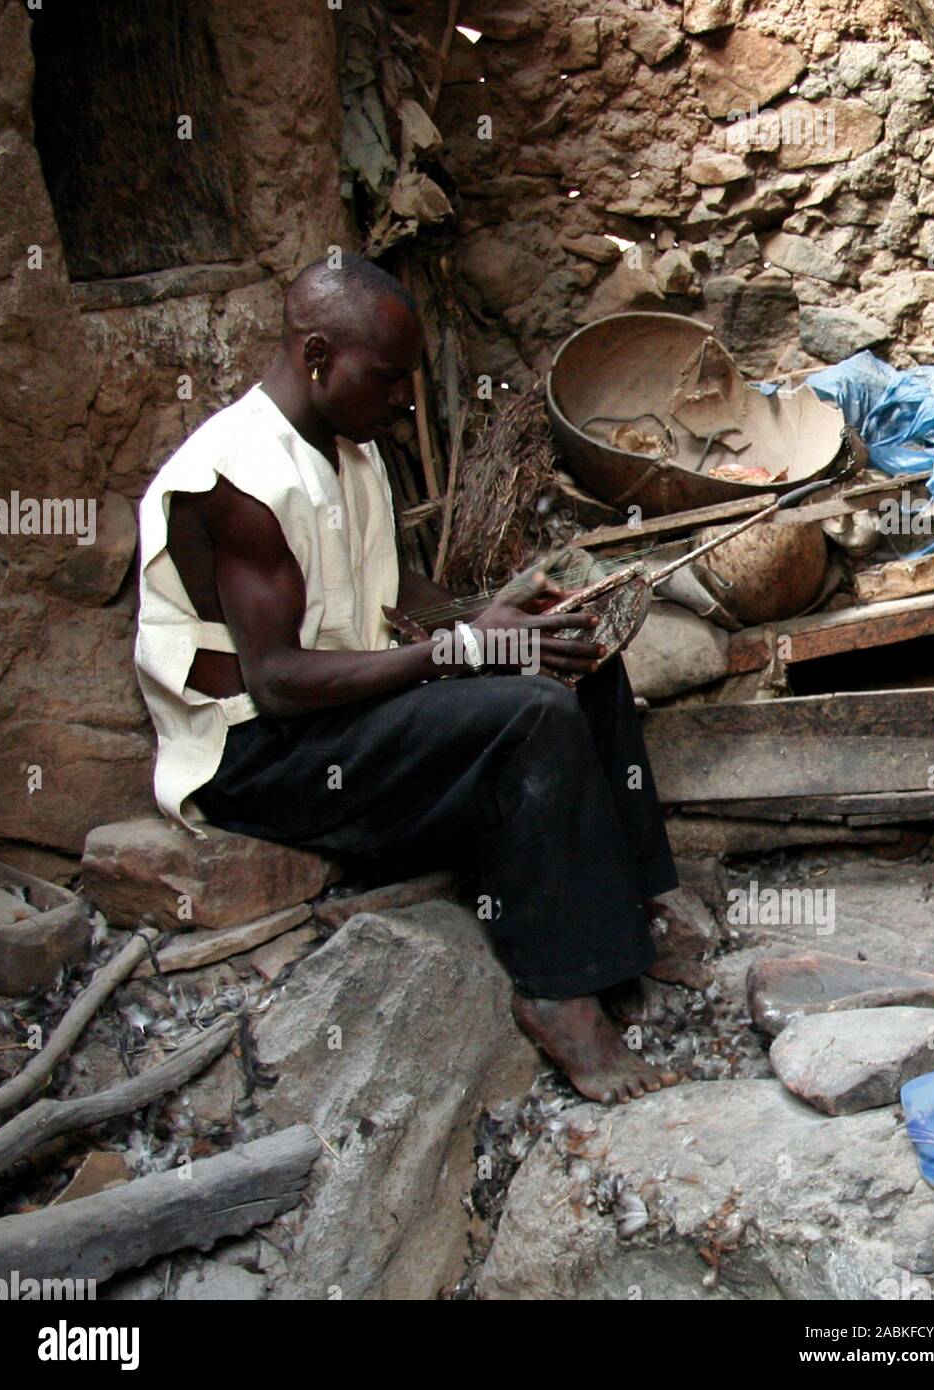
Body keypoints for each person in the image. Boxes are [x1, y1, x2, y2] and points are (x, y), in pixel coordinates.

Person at [136, 253, 690, 1105]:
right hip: (263, 754)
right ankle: (559, 991)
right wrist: (471, 648)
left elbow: (397, 598)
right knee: (531, 713)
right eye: (389, 379)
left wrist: (500, 612)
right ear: (318, 356)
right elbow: (278, 682)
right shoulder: (239, 481)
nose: (403, 401)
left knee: (576, 659)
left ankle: (636, 912)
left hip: (343, 713)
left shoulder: (349, 452)